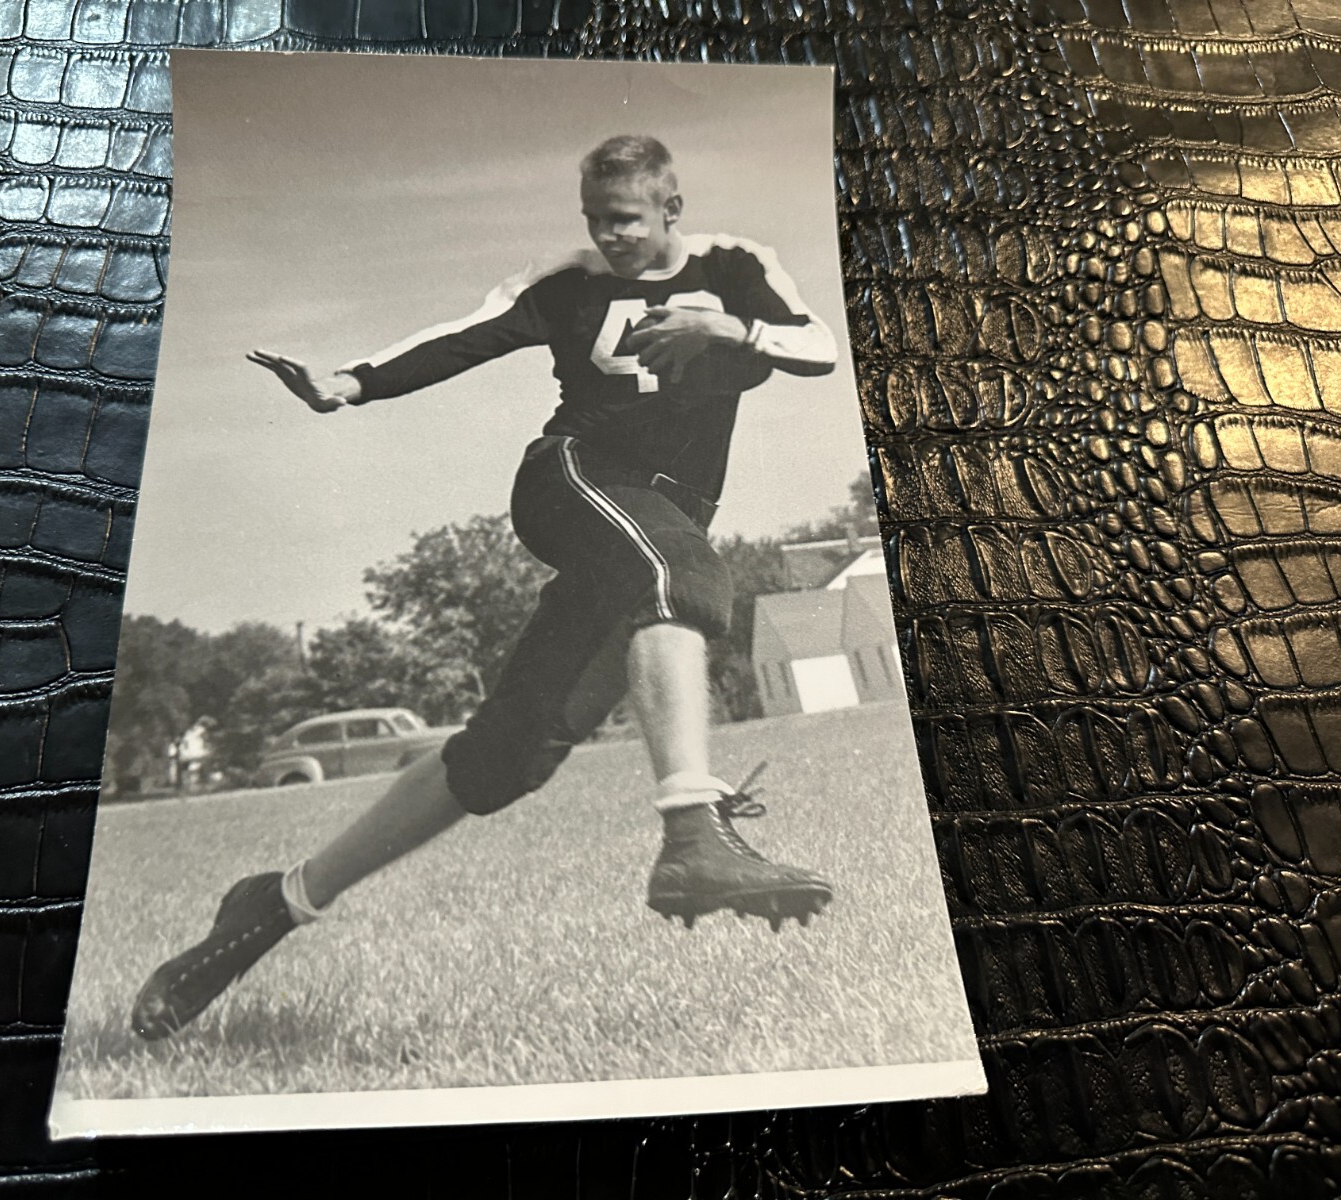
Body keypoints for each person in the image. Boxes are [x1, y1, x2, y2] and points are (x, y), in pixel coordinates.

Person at [131, 135, 841, 1041]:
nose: (607, 236)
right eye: (593, 219)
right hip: (573, 478)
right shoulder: (568, 281)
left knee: (506, 756)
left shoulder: (739, 269)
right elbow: (467, 334)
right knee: (677, 572)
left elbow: (817, 344)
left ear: (671, 208)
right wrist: (351, 382)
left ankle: (271, 906)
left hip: (657, 523)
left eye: (624, 219)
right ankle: (693, 836)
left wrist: (729, 331)